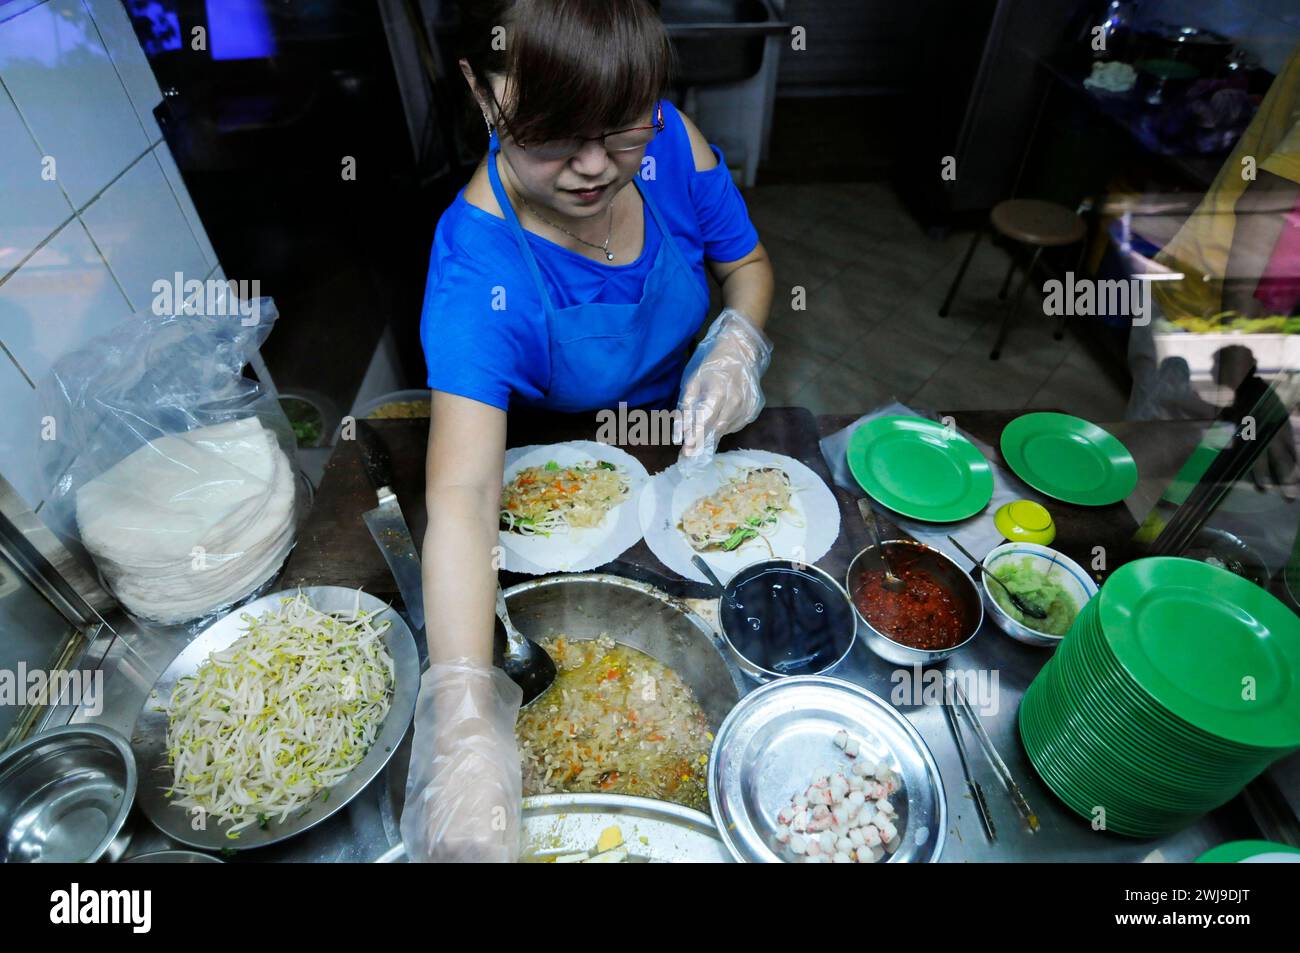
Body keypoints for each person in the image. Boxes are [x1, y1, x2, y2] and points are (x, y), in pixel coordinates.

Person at [401, 0, 775, 862]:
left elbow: (746, 266)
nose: (595, 167)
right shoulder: (475, 269)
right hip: (556, 485)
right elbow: (462, 492)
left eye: (620, 128)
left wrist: (738, 345)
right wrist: (464, 717)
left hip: (685, 444)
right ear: (478, 90)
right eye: (553, 135)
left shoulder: (675, 143)